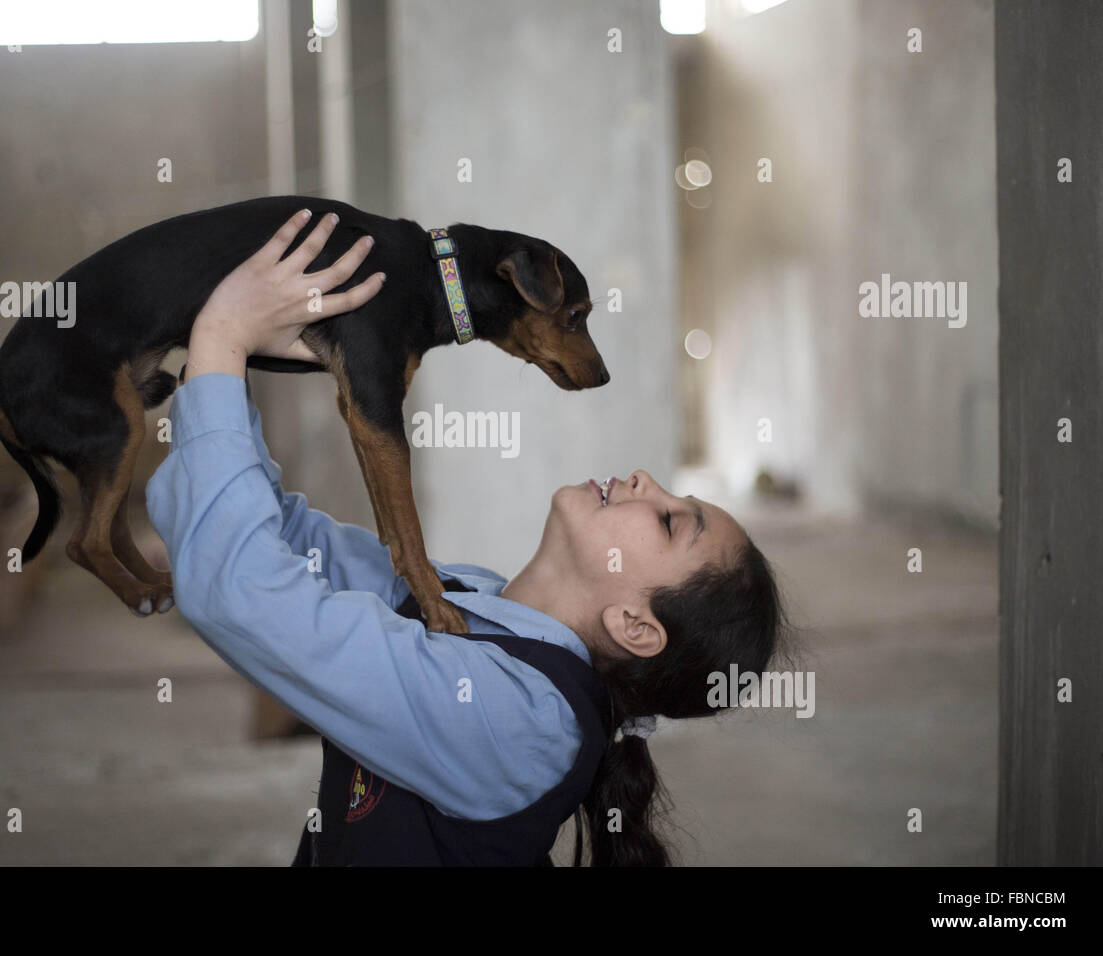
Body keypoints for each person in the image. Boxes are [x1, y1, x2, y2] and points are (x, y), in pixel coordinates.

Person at [145, 208, 792, 866]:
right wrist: (227, 362)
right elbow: (276, 536)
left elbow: (242, 595)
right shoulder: (465, 596)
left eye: (668, 519)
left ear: (634, 624)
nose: (647, 479)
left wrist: (222, 335)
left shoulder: (525, 723)